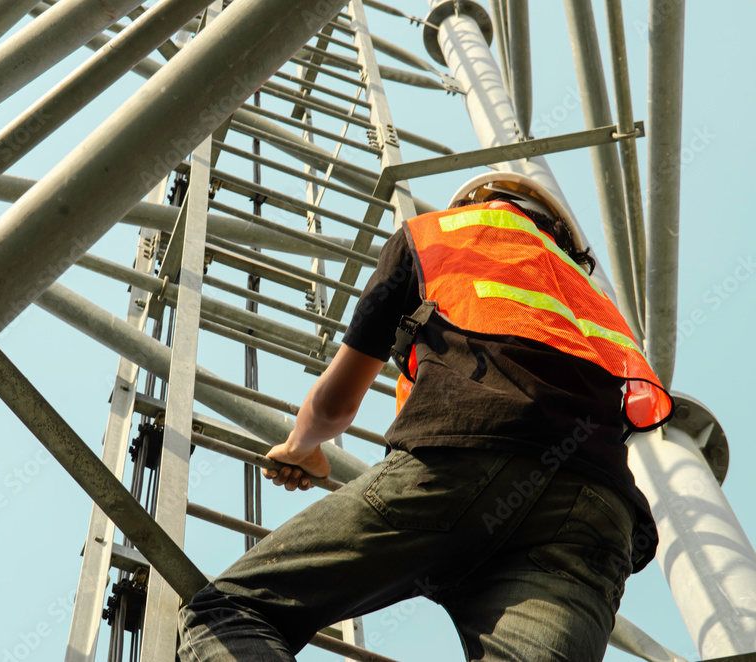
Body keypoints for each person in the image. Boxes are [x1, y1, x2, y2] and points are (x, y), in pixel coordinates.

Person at [177, 172, 673, 661]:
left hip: (465, 458)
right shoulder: (592, 299)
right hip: (595, 510)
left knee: (231, 613)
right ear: (563, 237)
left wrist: (300, 447)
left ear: (469, 207)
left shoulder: (439, 237)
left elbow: (335, 406)